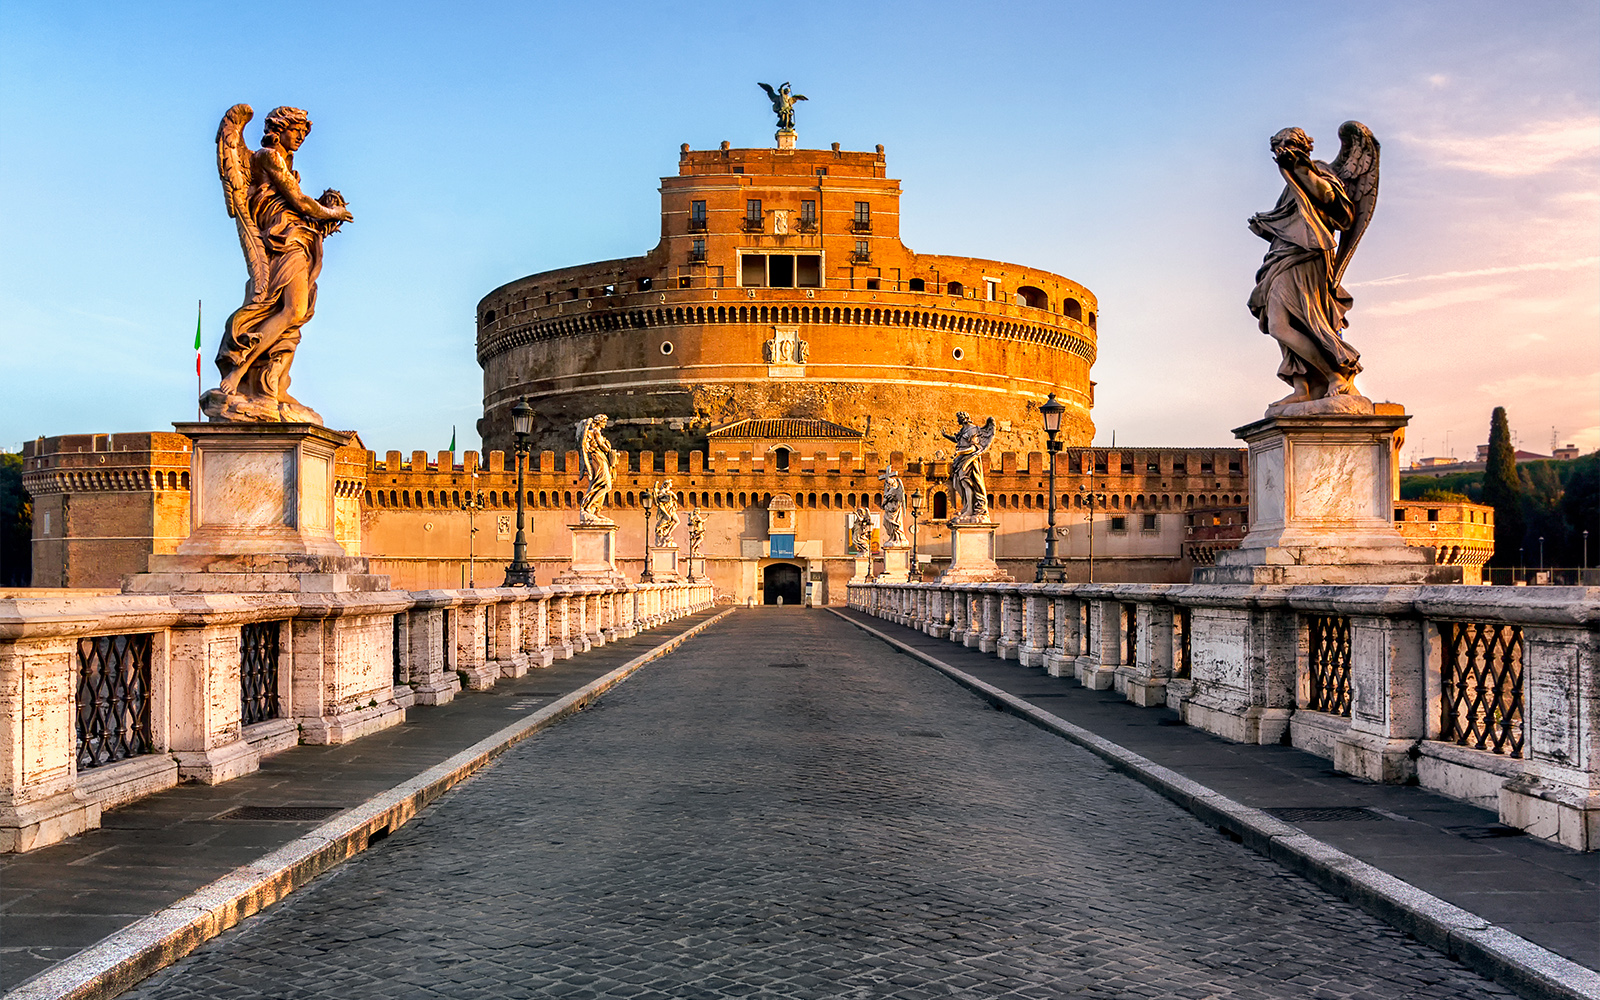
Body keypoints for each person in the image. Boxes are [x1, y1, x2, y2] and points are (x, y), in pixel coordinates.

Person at [209, 105, 353, 423]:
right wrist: (333, 213)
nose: (300, 137)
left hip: (297, 240)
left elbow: (300, 207)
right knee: (291, 311)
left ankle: (272, 386)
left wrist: (322, 216)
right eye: (296, 130)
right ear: (279, 128)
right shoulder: (267, 157)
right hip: (281, 241)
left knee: (293, 317)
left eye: (304, 132)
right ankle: (238, 372)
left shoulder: (288, 166)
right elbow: (299, 203)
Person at [1247, 127, 1362, 405]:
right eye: (1277, 146)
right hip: (1282, 256)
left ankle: (1335, 374)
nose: (1281, 150)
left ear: (1302, 147)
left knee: (1300, 320)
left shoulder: (1317, 170)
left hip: (1308, 256)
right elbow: (1292, 223)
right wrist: (1266, 226)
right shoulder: (1288, 187)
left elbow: (1331, 201)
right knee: (1280, 324)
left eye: (1287, 144)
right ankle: (1303, 389)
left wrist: (1300, 169)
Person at [577, 415, 617, 523]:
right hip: (598, 458)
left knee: (602, 484)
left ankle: (596, 510)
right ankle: (589, 506)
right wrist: (609, 448)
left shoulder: (596, 431)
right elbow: (602, 445)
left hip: (601, 458)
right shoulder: (595, 431)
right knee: (605, 484)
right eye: (604, 421)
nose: (605, 424)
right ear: (600, 422)